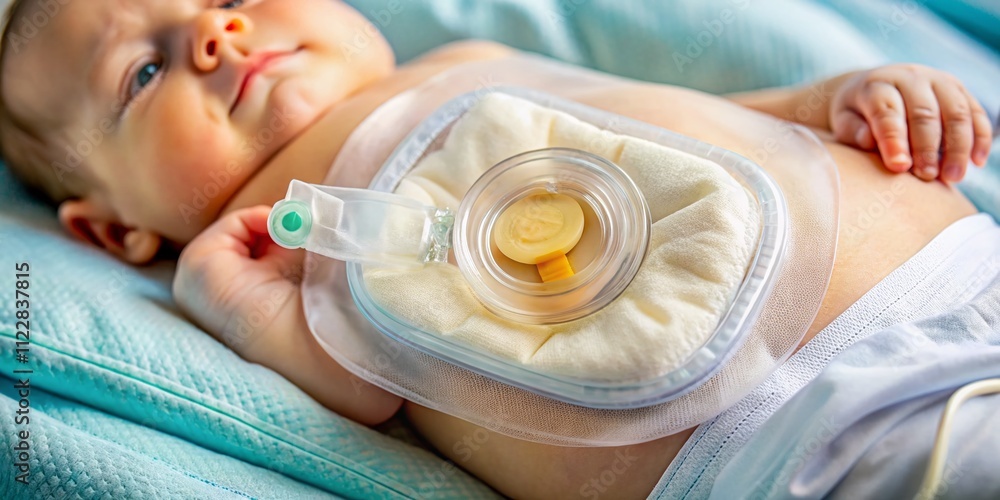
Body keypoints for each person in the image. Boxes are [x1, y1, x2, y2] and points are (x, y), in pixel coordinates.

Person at [0, 0, 993, 498]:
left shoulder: (462, 62)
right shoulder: (265, 251)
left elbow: (693, 123)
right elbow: (365, 395)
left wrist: (835, 101)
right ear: (113, 227)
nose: (215, 33)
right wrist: (239, 306)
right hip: (797, 451)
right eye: (139, 75)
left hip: (956, 274)